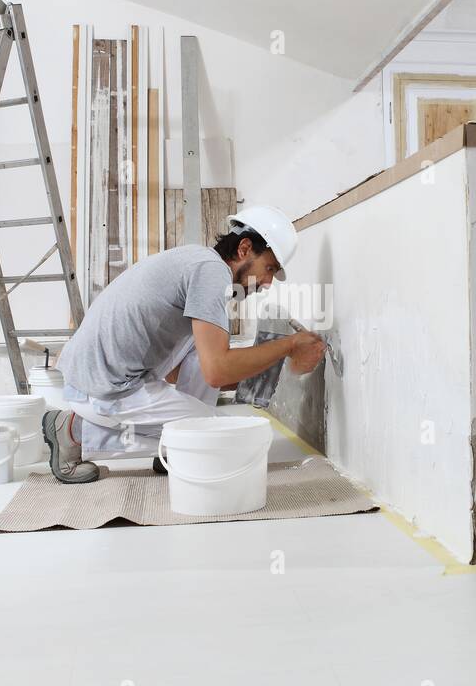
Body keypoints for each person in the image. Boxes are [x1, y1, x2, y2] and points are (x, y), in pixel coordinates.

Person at [41, 205, 325, 482]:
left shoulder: (200, 265)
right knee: (215, 436)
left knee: (200, 383)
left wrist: (269, 366)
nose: (267, 283)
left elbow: (188, 371)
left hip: (98, 375)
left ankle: (175, 451)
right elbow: (218, 371)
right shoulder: (210, 274)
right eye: (269, 268)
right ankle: (73, 431)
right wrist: (289, 346)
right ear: (244, 249)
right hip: (103, 386)